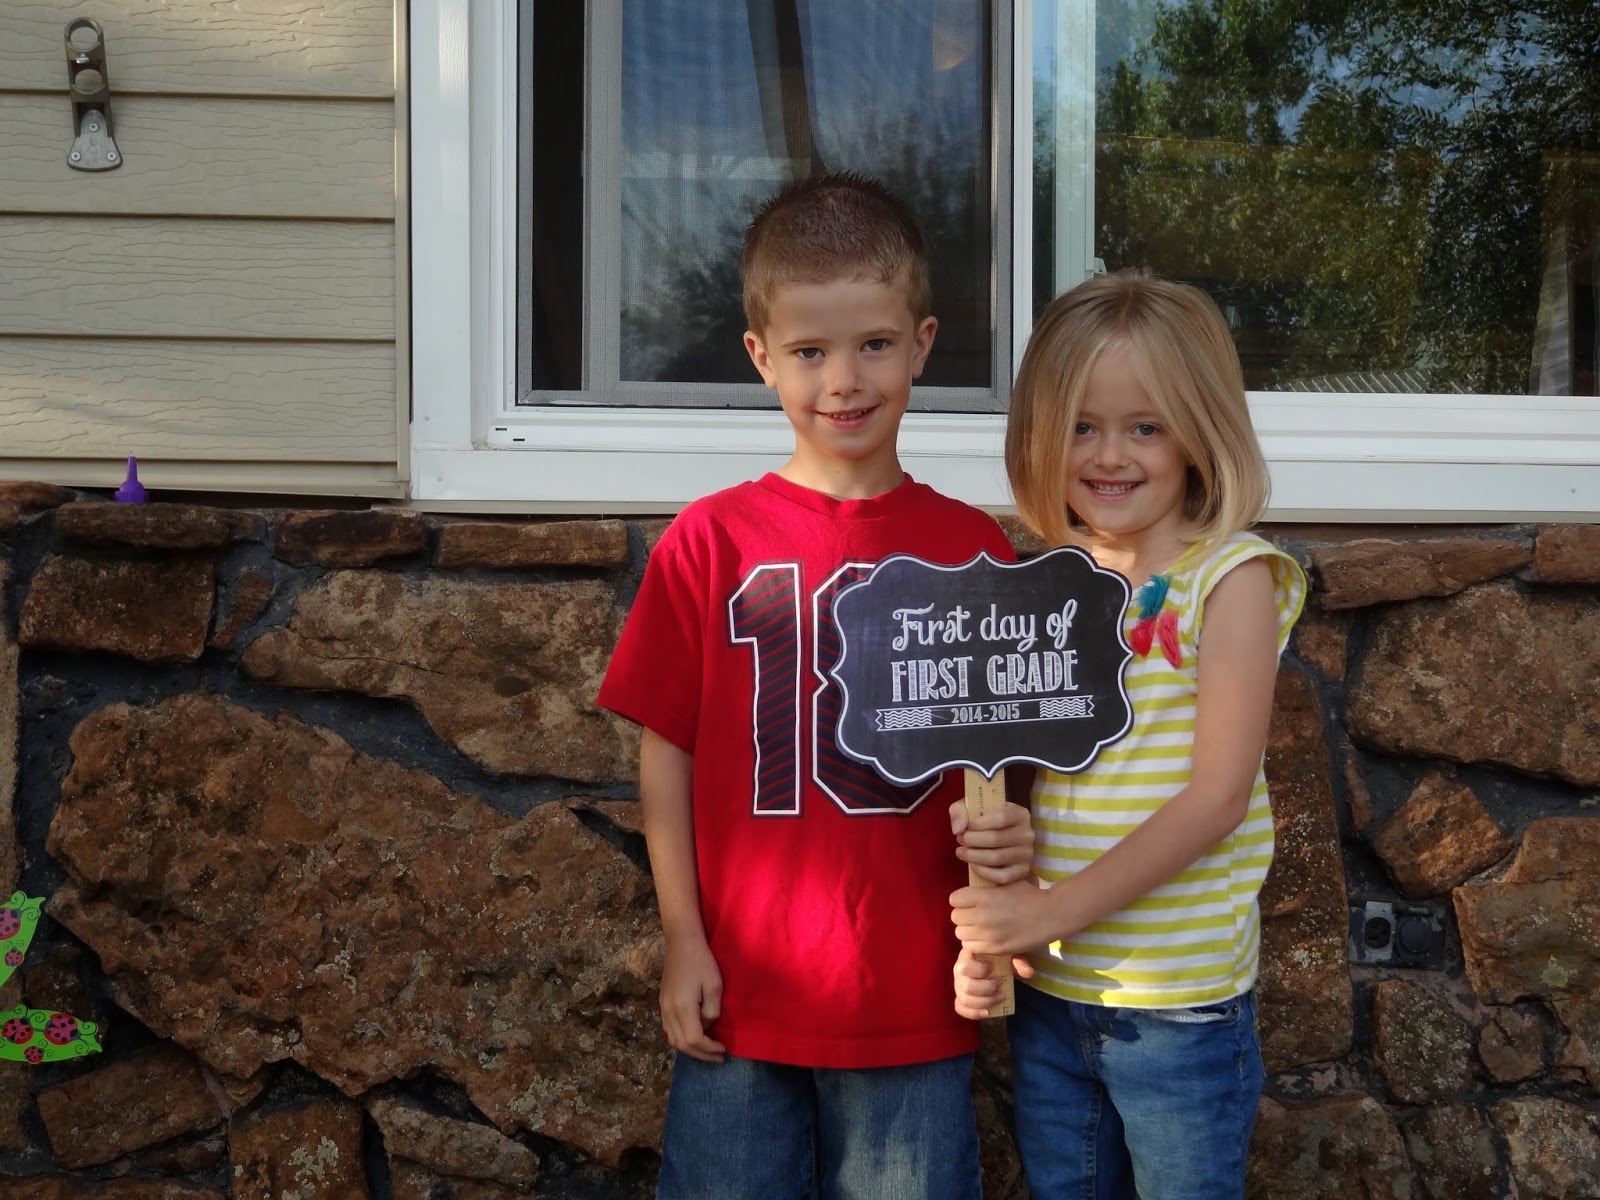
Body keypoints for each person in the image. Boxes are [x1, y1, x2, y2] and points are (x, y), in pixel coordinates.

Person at [598, 172, 1035, 1200]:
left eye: (874, 344)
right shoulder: (707, 542)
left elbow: (1002, 767)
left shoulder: (968, 551)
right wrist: (680, 941)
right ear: (761, 358)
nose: (844, 378)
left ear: (922, 342)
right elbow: (667, 749)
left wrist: (1010, 862)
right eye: (809, 351)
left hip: (909, 998)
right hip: (742, 991)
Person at [949, 270, 1307, 1200]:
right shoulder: (1054, 583)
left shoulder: (1231, 577)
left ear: (1199, 431)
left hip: (1176, 1007)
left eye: (1145, 426)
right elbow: (1026, 785)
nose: (1111, 454)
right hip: (1057, 997)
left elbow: (1216, 798)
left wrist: (1046, 914)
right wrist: (997, 916)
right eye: (1080, 425)